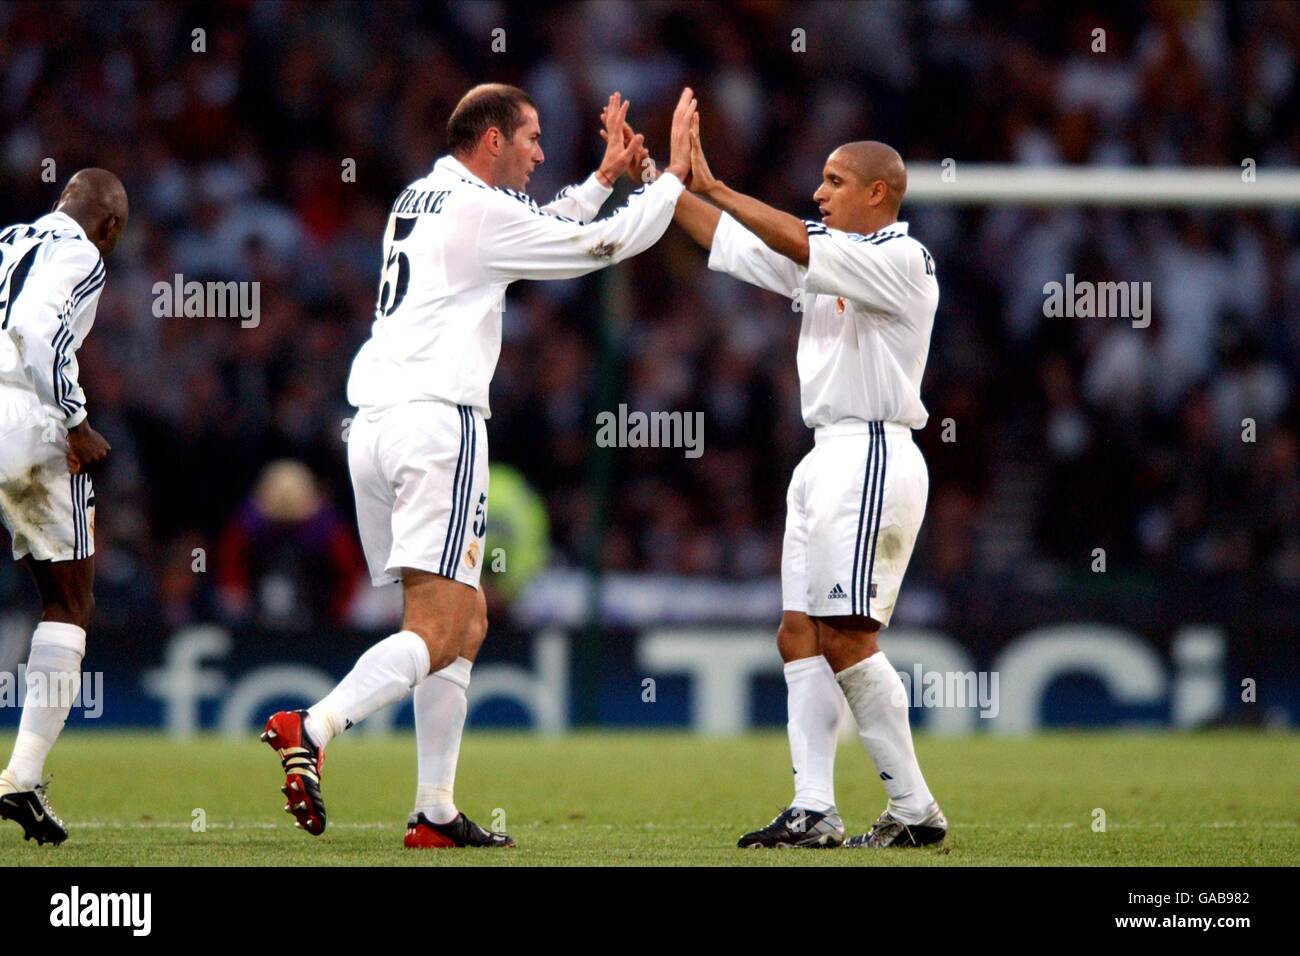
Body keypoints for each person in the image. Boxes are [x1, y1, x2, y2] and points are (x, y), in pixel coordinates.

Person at [262, 83, 696, 848]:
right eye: (530, 138)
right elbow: (598, 249)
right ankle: (315, 724)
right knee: (439, 625)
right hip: (439, 425)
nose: (538, 153)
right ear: (490, 140)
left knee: (464, 621)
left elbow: (532, 231)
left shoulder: (418, 197)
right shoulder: (478, 210)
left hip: (372, 426)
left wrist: (600, 181)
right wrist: (670, 182)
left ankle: (433, 810)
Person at [672, 114, 947, 849]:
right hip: (825, 454)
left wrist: (719, 183)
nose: (819, 193)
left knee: (846, 636)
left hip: (873, 452)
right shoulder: (833, 260)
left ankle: (915, 811)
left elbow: (794, 236)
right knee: (799, 635)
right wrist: (658, 183)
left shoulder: (902, 257)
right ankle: (815, 809)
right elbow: (726, 241)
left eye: (834, 181)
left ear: (878, 193)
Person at [0, 169, 127, 845]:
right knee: (69, 600)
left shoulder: (8, 240)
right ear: (109, 227)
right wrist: (75, 420)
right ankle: (21, 777)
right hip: (25, 418)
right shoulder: (80, 251)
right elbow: (34, 326)